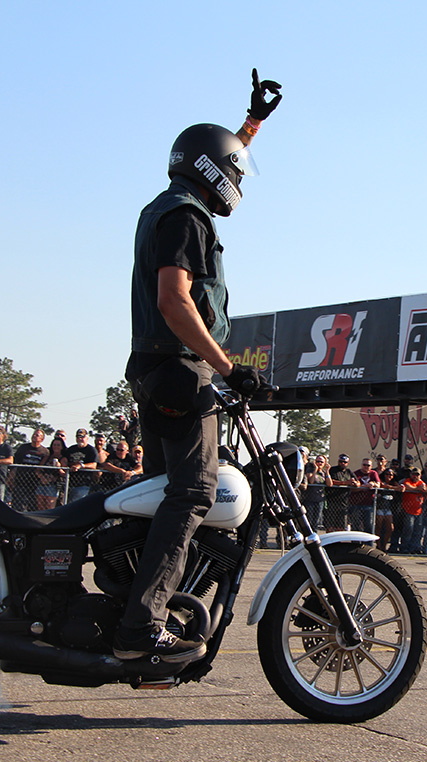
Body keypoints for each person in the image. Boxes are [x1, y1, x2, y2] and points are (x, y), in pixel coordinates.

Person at [115, 70, 281, 664]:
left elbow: (214, 154)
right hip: (180, 372)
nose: (237, 182)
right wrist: (228, 368)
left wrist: (251, 126)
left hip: (157, 370)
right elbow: (175, 301)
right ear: (213, 173)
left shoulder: (168, 206)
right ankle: (142, 626)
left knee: (159, 495)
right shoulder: (187, 217)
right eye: (233, 172)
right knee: (192, 493)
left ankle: (129, 600)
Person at [11, 429, 50, 511]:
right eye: (34, 434)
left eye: (37, 435)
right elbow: (16, 463)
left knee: (32, 506)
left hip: (34, 483)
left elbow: (43, 467)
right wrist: (11, 478)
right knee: (17, 505)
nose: (35, 436)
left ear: (42, 439)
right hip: (20, 481)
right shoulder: (23, 448)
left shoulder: (45, 452)